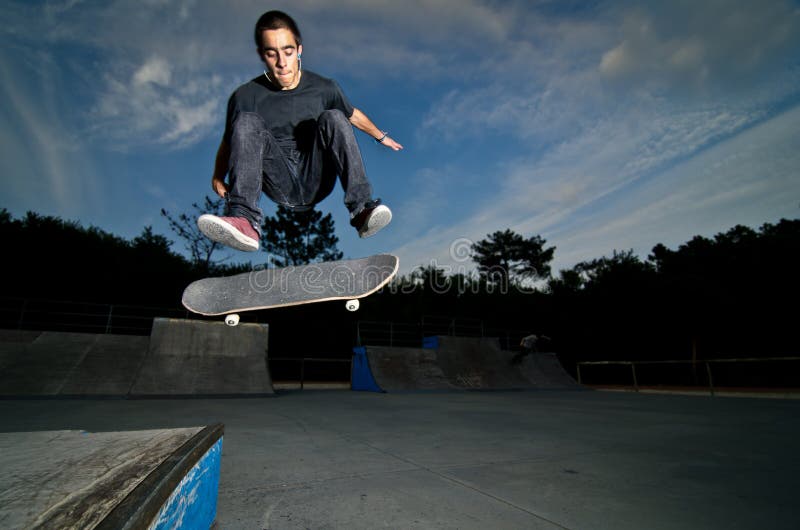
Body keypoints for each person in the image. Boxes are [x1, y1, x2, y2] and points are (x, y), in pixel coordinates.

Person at [197, 10, 402, 252]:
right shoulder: (245, 96)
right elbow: (230, 141)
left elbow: (352, 115)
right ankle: (245, 220)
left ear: (299, 49)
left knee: (334, 116)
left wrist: (381, 136)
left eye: (288, 52)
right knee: (246, 122)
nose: (282, 64)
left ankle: (361, 210)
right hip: (277, 177)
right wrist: (217, 175)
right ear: (262, 55)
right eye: (272, 54)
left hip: (316, 174)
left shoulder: (325, 88)